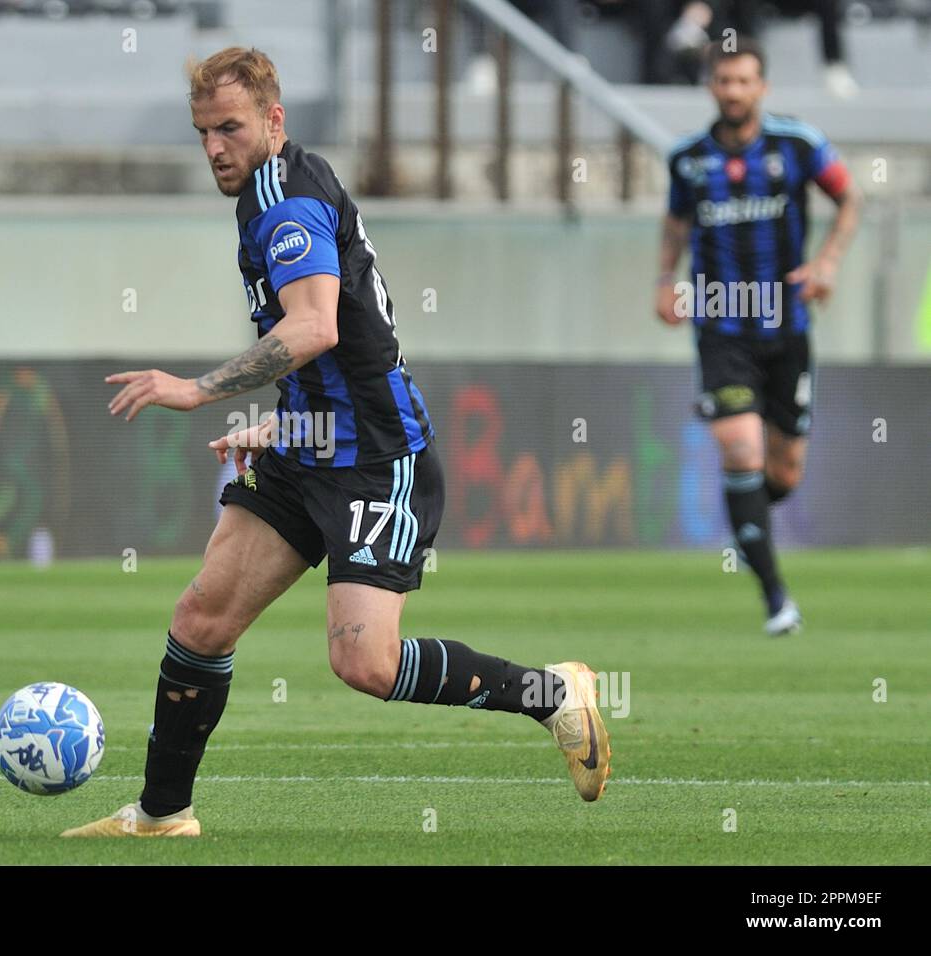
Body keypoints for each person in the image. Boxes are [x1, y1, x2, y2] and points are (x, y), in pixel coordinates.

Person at [61, 47, 612, 838]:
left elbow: (316, 326)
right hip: (310, 441)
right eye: (202, 132)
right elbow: (346, 332)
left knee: (365, 664)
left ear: (273, 121)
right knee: (201, 620)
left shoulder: (283, 200)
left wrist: (197, 391)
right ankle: (161, 814)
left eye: (230, 128)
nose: (214, 146)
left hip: (377, 457)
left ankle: (551, 695)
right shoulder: (265, 193)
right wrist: (288, 421)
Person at [655, 39, 862, 636]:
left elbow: (850, 196)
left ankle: (747, 519)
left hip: (788, 331)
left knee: (783, 471)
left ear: (762, 87)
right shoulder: (688, 160)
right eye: (724, 80)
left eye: (744, 81)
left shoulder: (797, 144)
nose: (734, 91)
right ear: (711, 86)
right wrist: (663, 280)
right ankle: (777, 599)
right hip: (721, 329)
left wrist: (827, 263)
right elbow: (675, 224)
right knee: (741, 450)